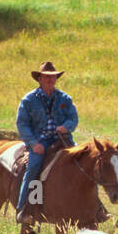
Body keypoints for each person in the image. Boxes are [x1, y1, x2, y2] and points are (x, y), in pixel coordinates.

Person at [14, 61, 78, 225]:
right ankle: (22, 210)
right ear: (40, 79)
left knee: (83, 162)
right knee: (33, 166)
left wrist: (66, 126)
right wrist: (34, 143)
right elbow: (22, 124)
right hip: (39, 140)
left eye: (53, 77)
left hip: (62, 139)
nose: (51, 80)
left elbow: (73, 118)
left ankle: (95, 209)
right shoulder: (28, 100)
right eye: (47, 77)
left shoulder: (65, 98)